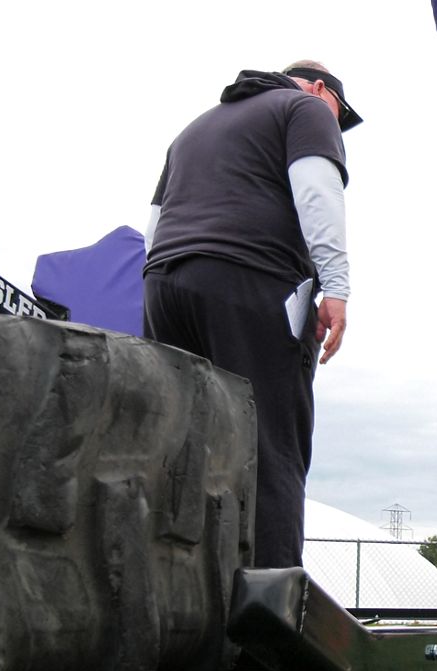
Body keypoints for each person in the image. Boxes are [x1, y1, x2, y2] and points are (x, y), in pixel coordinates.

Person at [143, 60, 362, 569]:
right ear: (320, 88)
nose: (337, 126)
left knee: (180, 446)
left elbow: (153, 227)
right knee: (271, 448)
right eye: (339, 114)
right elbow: (316, 192)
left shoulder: (192, 130)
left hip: (165, 283)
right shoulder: (306, 107)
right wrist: (336, 286)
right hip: (250, 279)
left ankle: (175, 608)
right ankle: (271, 623)